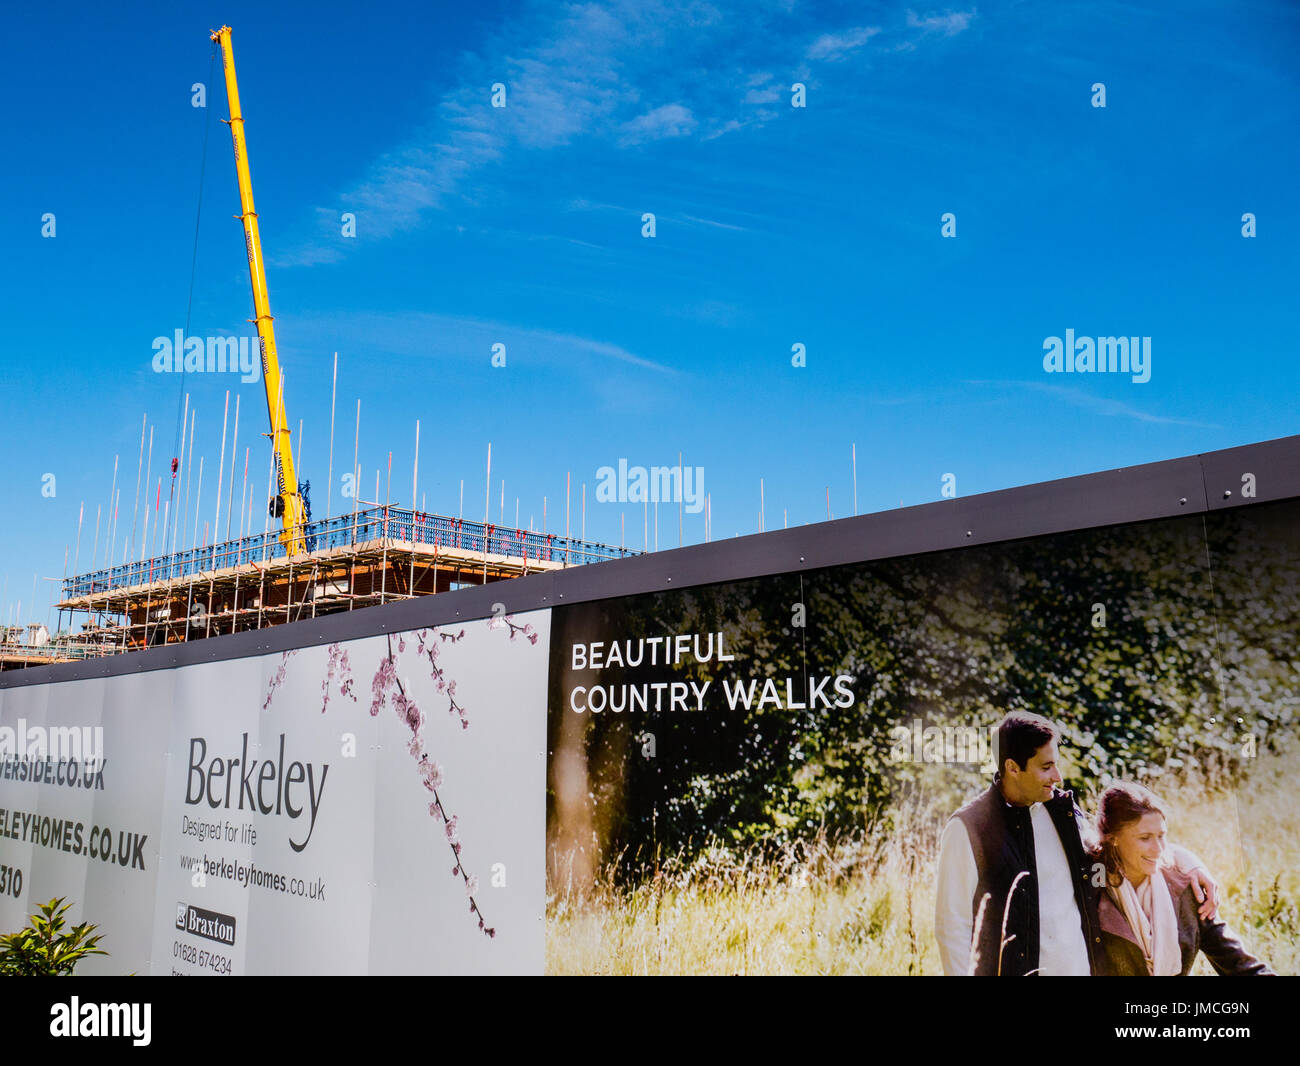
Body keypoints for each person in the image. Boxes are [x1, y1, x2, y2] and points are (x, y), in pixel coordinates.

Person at [934, 711, 1219, 976]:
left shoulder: (1064, 813)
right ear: (1012, 768)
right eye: (1046, 767)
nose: (1057, 777)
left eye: (1056, 764)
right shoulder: (969, 829)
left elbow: (1119, 850)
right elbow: (952, 928)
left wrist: (1189, 864)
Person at [1093, 781, 1272, 976]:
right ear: (1113, 838)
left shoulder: (1185, 887)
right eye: (1145, 838)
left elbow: (1238, 962)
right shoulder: (1091, 887)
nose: (1158, 848)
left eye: (1162, 835)